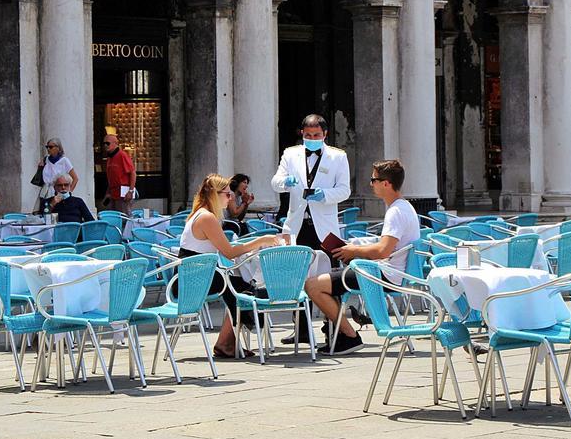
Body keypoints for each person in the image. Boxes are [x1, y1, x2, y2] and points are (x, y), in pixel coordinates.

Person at [304, 159, 420, 355]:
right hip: (386, 271)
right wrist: (354, 247)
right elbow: (388, 245)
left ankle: (349, 336)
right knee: (330, 279)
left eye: (373, 179)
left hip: (382, 275)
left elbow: (383, 251)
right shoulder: (404, 207)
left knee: (312, 286)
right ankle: (339, 334)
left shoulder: (396, 212)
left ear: (386, 183)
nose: (371, 184)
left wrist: (353, 252)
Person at [177, 174, 278, 358]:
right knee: (243, 289)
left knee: (240, 285)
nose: (231, 198)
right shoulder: (206, 217)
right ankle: (225, 343)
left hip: (194, 274)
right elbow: (229, 252)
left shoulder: (202, 214)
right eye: (227, 194)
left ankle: (226, 342)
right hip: (193, 278)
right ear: (215, 195)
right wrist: (261, 240)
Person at [271, 114, 350, 344]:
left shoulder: (338, 156)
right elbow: (275, 181)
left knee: (331, 276)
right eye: (308, 136)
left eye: (316, 135)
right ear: (302, 135)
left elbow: (344, 190)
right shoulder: (290, 153)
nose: (312, 139)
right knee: (296, 276)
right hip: (297, 224)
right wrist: (286, 183)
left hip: (326, 227)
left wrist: (324, 195)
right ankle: (301, 328)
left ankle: (334, 328)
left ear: (325, 135)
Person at [103, 134, 137, 215]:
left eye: (107, 143)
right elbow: (111, 178)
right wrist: (108, 192)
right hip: (113, 193)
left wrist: (130, 191)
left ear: (115, 143)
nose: (105, 145)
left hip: (123, 194)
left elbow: (132, 173)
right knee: (113, 217)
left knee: (124, 216)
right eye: (104, 143)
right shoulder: (110, 158)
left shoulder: (122, 155)